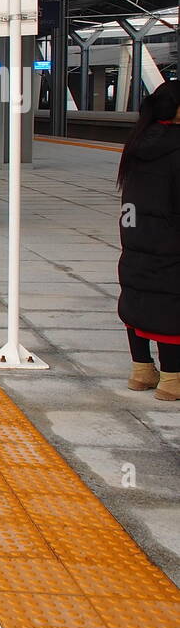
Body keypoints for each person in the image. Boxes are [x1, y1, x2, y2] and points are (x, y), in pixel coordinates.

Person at [117, 80, 180, 400]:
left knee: (137, 299)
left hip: (133, 233)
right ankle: (172, 379)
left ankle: (141, 370)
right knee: (168, 303)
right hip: (167, 239)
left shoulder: (138, 141)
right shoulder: (176, 145)